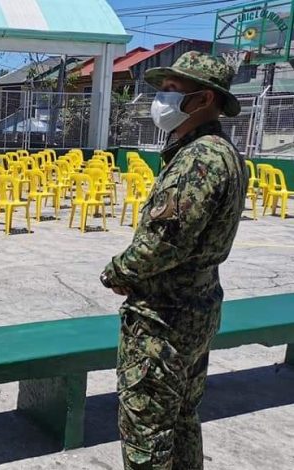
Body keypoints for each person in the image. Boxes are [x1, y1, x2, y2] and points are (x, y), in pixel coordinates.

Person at [99, 51, 247, 470]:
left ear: (202, 100)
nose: (161, 99)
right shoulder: (223, 154)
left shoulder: (199, 158)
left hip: (162, 321)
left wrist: (118, 271)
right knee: (182, 419)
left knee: (146, 435)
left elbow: (163, 243)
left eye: (171, 90)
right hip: (196, 310)